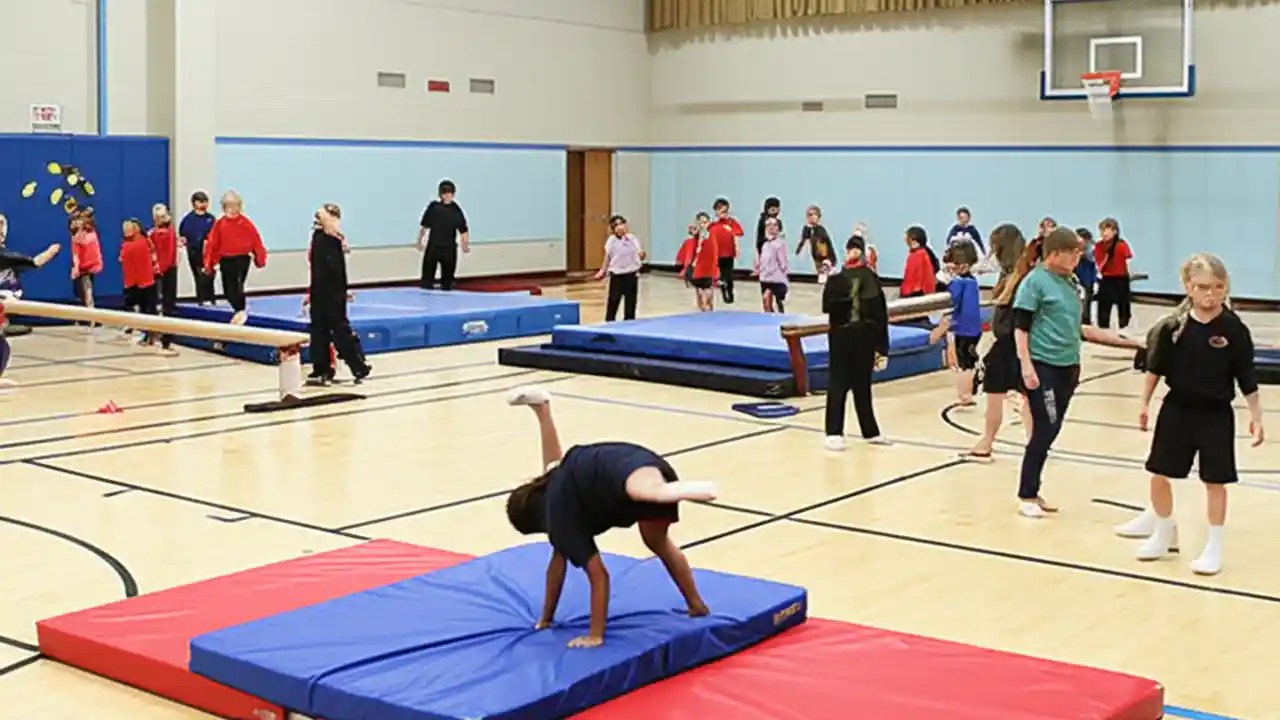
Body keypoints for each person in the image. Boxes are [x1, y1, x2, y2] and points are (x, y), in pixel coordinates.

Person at [503, 385, 714, 648]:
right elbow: (556, 567)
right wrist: (545, 619)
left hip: (626, 476)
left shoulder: (561, 524)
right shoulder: (553, 483)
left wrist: (596, 634)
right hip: (639, 460)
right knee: (657, 541)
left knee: (644, 500)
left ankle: (660, 491)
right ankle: (696, 604)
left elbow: (599, 576)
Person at [1126, 254, 1262, 576]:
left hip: (1216, 414)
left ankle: (1214, 545)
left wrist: (1256, 414)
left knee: (1215, 482)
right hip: (1177, 410)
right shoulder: (1173, 328)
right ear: (1189, 287)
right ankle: (1163, 531)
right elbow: (1155, 368)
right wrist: (1144, 403)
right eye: (1202, 287)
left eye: (1218, 287)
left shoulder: (1233, 329)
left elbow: (1246, 375)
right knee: (1159, 473)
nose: (1211, 294)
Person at [1012, 227, 1142, 518]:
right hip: (1043, 364)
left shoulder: (1071, 283)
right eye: (1074, 252)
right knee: (1045, 427)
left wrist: (1131, 344)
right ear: (1055, 253)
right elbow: (1020, 328)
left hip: (1069, 366)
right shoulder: (1035, 283)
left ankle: (1034, 488)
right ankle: (1027, 493)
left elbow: (1079, 328)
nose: (1078, 257)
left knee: (1053, 429)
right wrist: (1026, 366)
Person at [961, 233, 1039, 463]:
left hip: (1011, 343)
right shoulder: (1013, 274)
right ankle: (1029, 443)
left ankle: (989, 441)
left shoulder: (1022, 277)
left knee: (1001, 394)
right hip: (1011, 342)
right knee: (1021, 397)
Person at [822, 235, 891, 450]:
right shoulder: (836, 279)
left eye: (856, 249)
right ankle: (833, 431)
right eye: (850, 249)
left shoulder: (871, 279)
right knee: (838, 383)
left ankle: (869, 430)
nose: (853, 253)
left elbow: (881, 315)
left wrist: (882, 347)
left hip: (865, 335)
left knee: (863, 383)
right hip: (842, 336)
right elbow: (829, 308)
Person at [305, 203, 370, 386]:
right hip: (319, 291)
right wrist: (311, 292)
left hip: (333, 294)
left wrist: (343, 290)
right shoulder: (318, 238)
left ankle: (358, 365)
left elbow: (337, 271)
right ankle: (322, 369)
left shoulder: (333, 240)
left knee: (340, 330)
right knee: (318, 332)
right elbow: (317, 270)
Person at [0, 241, 61, 387]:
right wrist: (50, 252)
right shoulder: (4, 256)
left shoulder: (6, 259)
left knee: (3, 346)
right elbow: (34, 262)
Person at [930, 241, 982, 407]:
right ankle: (967, 392)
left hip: (963, 328)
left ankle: (965, 394)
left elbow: (952, 306)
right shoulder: (972, 282)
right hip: (973, 329)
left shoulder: (959, 284)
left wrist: (941, 328)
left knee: (963, 364)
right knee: (969, 361)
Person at [203, 190, 268, 325]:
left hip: (242, 259)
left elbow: (256, 242)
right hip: (227, 260)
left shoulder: (245, 223)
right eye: (229, 207)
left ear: (240, 207)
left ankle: (240, 310)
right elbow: (212, 245)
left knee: (236, 286)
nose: (232, 210)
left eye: (235, 206)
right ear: (224, 208)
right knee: (229, 289)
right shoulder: (220, 224)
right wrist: (209, 264)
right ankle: (239, 310)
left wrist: (260, 259)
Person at [416, 179, 470, 291]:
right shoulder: (433, 207)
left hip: (449, 248)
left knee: (448, 281)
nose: (448, 196)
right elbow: (424, 226)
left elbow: (463, 229)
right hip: (433, 246)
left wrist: (465, 244)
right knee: (427, 278)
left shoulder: (456, 210)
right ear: (441, 194)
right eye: (445, 193)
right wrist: (419, 240)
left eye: (450, 193)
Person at [594, 214, 644, 322]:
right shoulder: (611, 241)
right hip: (617, 275)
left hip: (631, 274)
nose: (621, 227)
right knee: (613, 301)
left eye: (622, 224)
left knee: (631, 303)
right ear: (613, 229)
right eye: (617, 225)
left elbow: (640, 253)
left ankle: (629, 324)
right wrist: (602, 270)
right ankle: (609, 324)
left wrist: (641, 255)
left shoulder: (632, 238)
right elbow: (607, 257)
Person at [119, 218, 159, 341]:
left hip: (142, 281)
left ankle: (150, 333)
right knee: (145, 309)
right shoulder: (143, 241)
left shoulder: (135, 244)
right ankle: (148, 333)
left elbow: (122, 259)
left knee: (146, 309)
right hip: (138, 281)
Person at [1093, 217, 1134, 332]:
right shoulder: (1099, 246)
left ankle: (1124, 328)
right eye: (1102, 230)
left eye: (1107, 230)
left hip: (1121, 278)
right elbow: (1099, 263)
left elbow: (1128, 260)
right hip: (1106, 279)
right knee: (1103, 307)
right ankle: (1103, 329)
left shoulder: (1121, 245)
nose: (1104, 233)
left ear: (1115, 231)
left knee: (1124, 306)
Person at [178, 191, 217, 306]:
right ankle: (200, 299)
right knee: (198, 275)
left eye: (205, 201)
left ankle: (211, 298)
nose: (204, 204)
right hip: (194, 251)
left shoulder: (210, 218)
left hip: (209, 252)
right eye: (201, 202)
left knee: (210, 275)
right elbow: (183, 235)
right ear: (194, 203)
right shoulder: (188, 219)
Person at [149, 204, 179, 355]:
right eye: (157, 217)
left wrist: (161, 268)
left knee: (168, 306)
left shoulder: (170, 233)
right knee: (152, 304)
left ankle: (166, 341)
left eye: (163, 216)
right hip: (156, 271)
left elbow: (170, 254)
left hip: (168, 271)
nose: (161, 220)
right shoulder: (152, 234)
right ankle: (151, 335)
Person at [678, 213, 718, 312]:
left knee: (708, 292)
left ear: (708, 223)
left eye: (705, 222)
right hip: (697, 267)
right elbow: (691, 250)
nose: (702, 225)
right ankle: (703, 309)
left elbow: (713, 252)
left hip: (708, 267)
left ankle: (709, 309)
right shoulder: (695, 237)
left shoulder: (710, 236)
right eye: (700, 223)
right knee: (699, 292)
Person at [708, 198, 743, 304]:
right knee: (720, 275)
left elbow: (738, 233)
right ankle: (724, 292)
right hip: (717, 253)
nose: (721, 212)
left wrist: (737, 248)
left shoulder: (732, 222)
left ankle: (730, 292)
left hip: (728, 253)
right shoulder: (713, 224)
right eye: (718, 209)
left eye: (723, 209)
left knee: (728, 274)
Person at [755, 217, 789, 313]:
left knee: (773, 300)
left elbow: (783, 263)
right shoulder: (764, 244)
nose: (771, 227)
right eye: (768, 225)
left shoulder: (780, 244)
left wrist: (783, 273)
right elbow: (761, 260)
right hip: (765, 278)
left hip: (777, 279)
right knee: (766, 304)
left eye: (774, 225)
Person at [796, 205, 836, 284]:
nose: (811, 217)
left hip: (825, 259)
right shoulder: (808, 229)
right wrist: (798, 252)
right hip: (816, 259)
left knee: (823, 279)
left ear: (818, 217)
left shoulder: (821, 230)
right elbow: (803, 241)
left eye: (813, 215)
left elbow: (823, 246)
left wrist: (825, 261)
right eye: (809, 215)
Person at [899, 226, 935, 298]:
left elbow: (912, 278)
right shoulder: (924, 253)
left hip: (916, 293)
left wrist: (905, 293)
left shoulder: (917, 255)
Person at [1074, 227, 1098, 325]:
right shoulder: (1074, 249)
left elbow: (1094, 265)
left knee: (1087, 301)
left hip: (1087, 279)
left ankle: (1086, 320)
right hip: (1077, 278)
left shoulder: (1091, 251)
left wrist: (1095, 280)